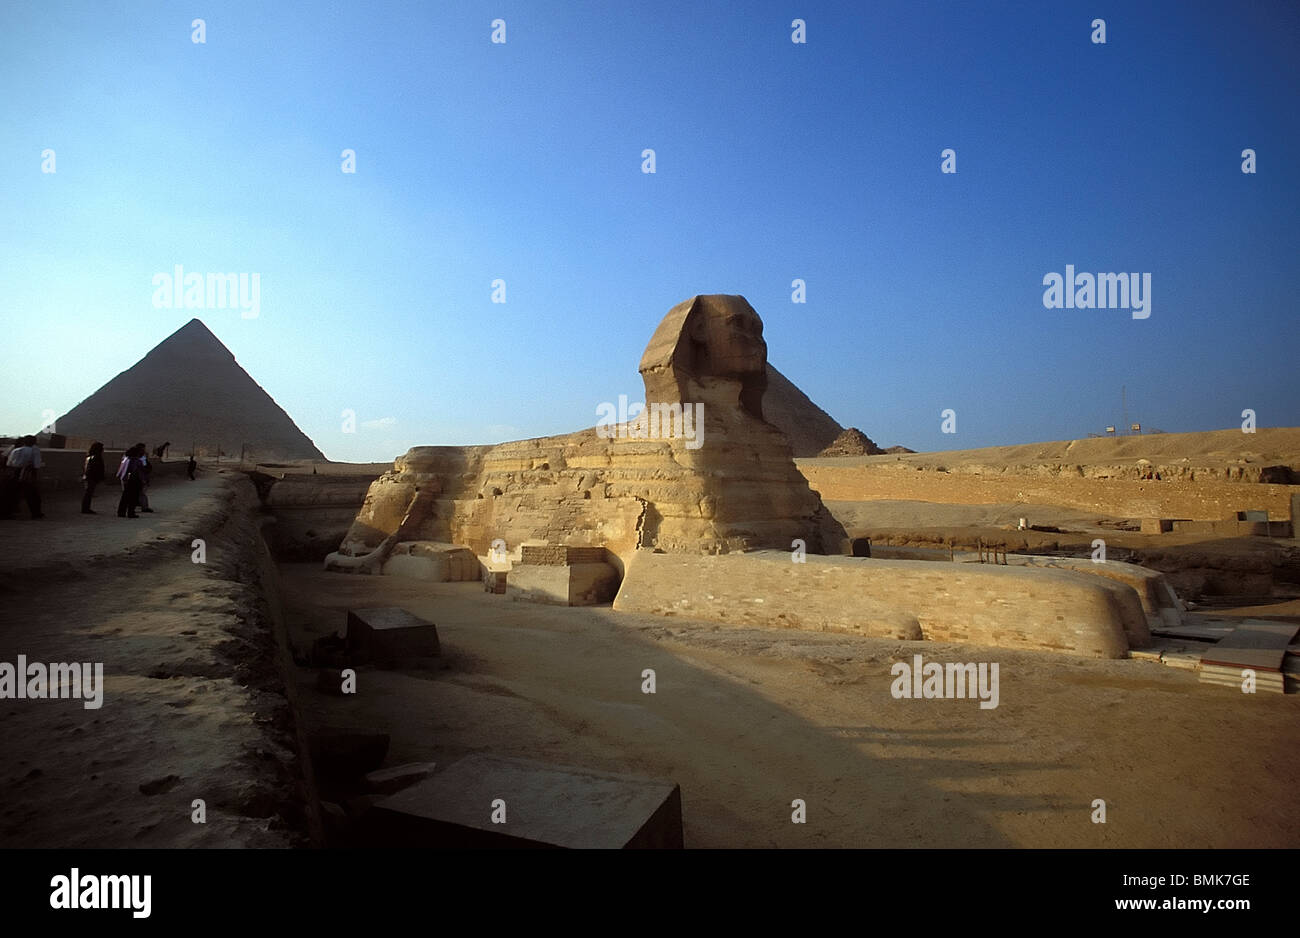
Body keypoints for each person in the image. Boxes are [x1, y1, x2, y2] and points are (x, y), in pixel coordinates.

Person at [5, 435, 44, 519]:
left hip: (15, 473)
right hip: (27, 474)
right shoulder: (34, 451)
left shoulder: (16, 450)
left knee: (11, 494)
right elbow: (37, 465)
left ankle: (7, 512)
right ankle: (36, 513)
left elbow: (9, 463)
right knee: (32, 495)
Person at [117, 444, 144, 518]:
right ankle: (131, 512)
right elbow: (138, 472)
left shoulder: (126, 459)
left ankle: (121, 512)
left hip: (125, 480)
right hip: (134, 481)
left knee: (125, 497)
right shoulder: (137, 461)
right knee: (133, 497)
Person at [81, 441, 106, 514]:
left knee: (88, 493)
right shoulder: (96, 457)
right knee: (89, 493)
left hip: (89, 477)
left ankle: (85, 508)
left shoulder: (89, 457)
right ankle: (85, 509)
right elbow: (96, 469)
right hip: (92, 477)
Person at [135, 443, 154, 513]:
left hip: (138, 477)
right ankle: (144, 507)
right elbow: (145, 467)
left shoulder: (138, 457)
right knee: (141, 493)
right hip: (140, 477)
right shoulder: (141, 458)